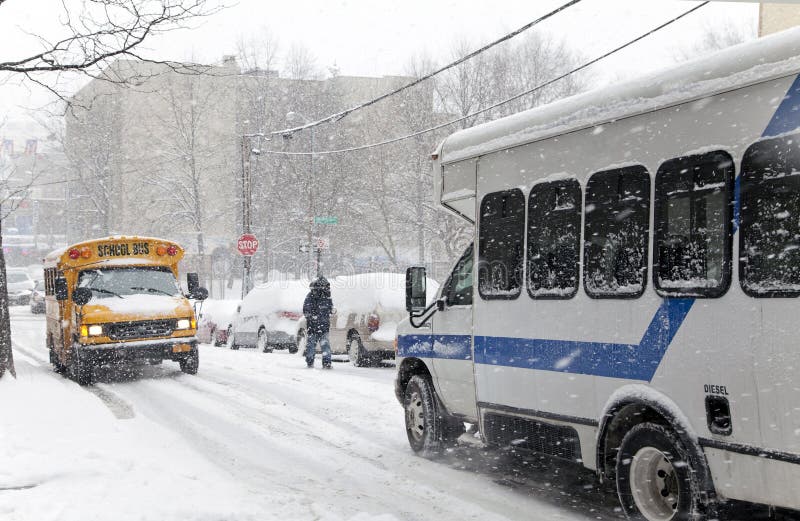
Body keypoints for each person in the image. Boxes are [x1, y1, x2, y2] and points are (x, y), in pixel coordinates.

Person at [302, 277, 333, 368]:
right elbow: (330, 309)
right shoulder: (326, 296)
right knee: (324, 344)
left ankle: (310, 361)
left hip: (314, 326)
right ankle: (326, 362)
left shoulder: (311, 296)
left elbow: (306, 310)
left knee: (312, 344)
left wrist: (312, 317)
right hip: (323, 325)